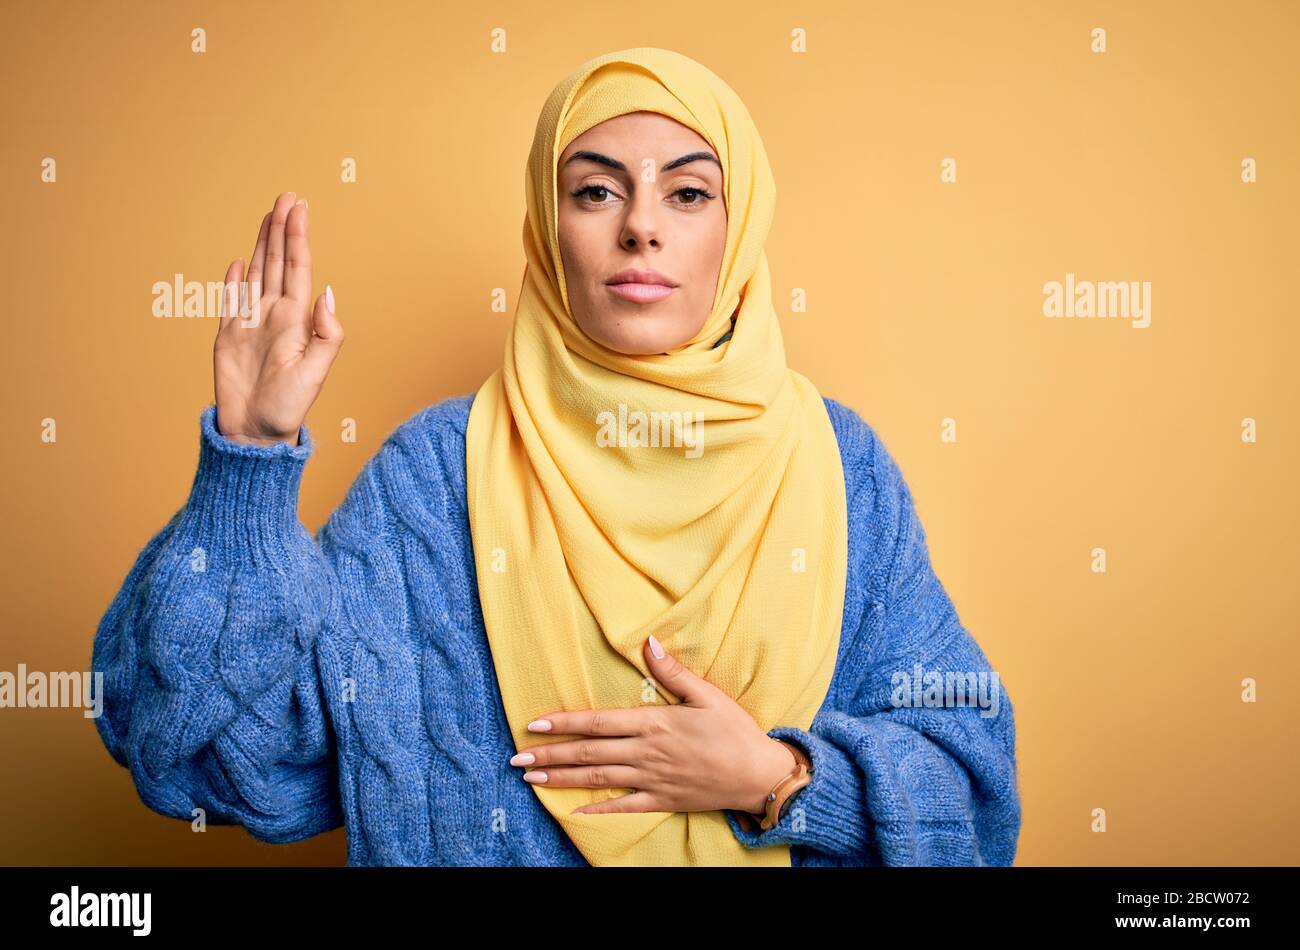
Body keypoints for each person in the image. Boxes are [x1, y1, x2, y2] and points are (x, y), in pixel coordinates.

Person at [90, 47, 1021, 866]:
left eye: (688, 193)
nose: (641, 227)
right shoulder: (435, 478)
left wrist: (774, 778)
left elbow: (975, 801)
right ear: (548, 226)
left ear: (737, 236)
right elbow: (217, 764)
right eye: (597, 190)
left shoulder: (841, 470)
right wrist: (246, 465)